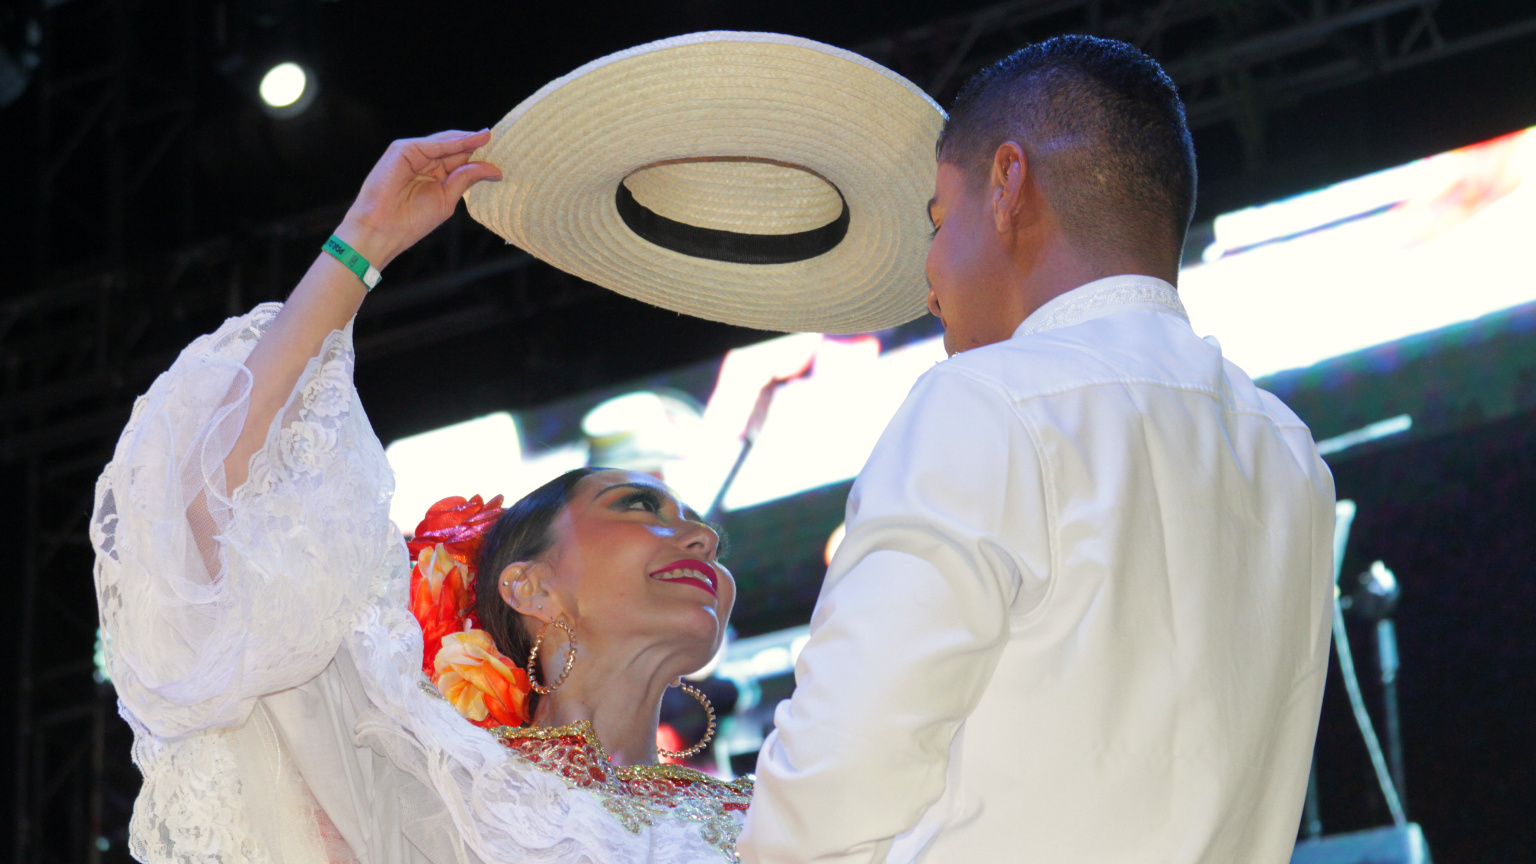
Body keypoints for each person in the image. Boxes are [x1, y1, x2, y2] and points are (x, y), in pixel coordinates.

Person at [739, 35, 1336, 864]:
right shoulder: (1289, 453)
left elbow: (825, 794)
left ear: (1009, 185)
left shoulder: (981, 401)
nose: (929, 277)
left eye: (939, 223)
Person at [92, 129, 751, 864]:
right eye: (639, 506)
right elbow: (215, 505)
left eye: (698, 527)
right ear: (528, 584)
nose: (704, 540)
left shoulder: (773, 822)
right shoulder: (428, 781)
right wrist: (363, 239)